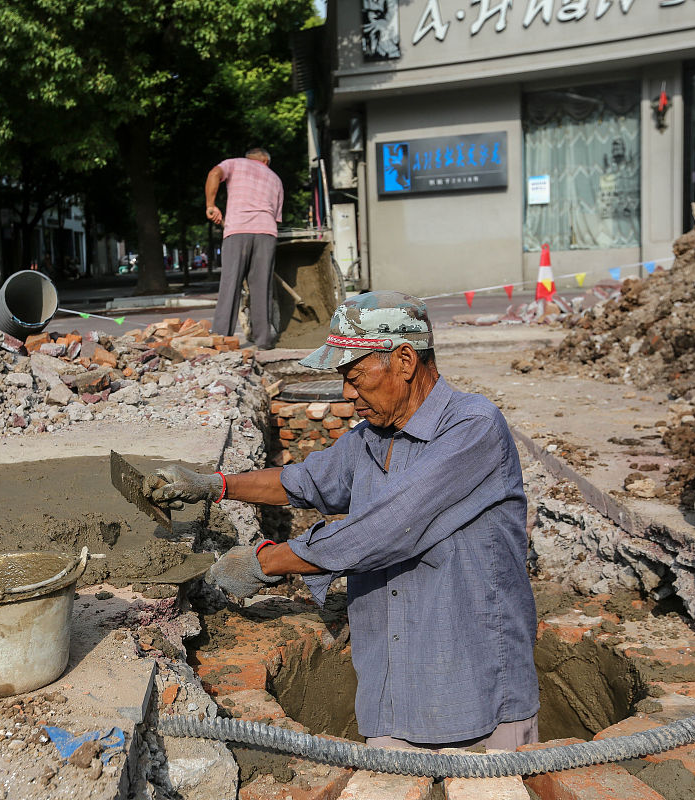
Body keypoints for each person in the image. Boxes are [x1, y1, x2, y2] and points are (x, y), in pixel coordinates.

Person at [144, 291, 540, 751]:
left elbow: (387, 529)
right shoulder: (374, 436)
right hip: (392, 696)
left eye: (354, 376)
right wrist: (213, 485)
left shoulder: (474, 429)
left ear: (405, 360)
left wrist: (266, 562)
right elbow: (302, 480)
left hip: (475, 697)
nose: (348, 394)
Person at [205, 147, 284, 349]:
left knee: (230, 284)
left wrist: (211, 205)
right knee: (261, 288)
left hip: (238, 231)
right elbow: (276, 216)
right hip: (266, 232)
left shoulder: (234, 163)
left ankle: (222, 338)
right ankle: (264, 340)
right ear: (266, 160)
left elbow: (214, 173)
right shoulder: (275, 179)